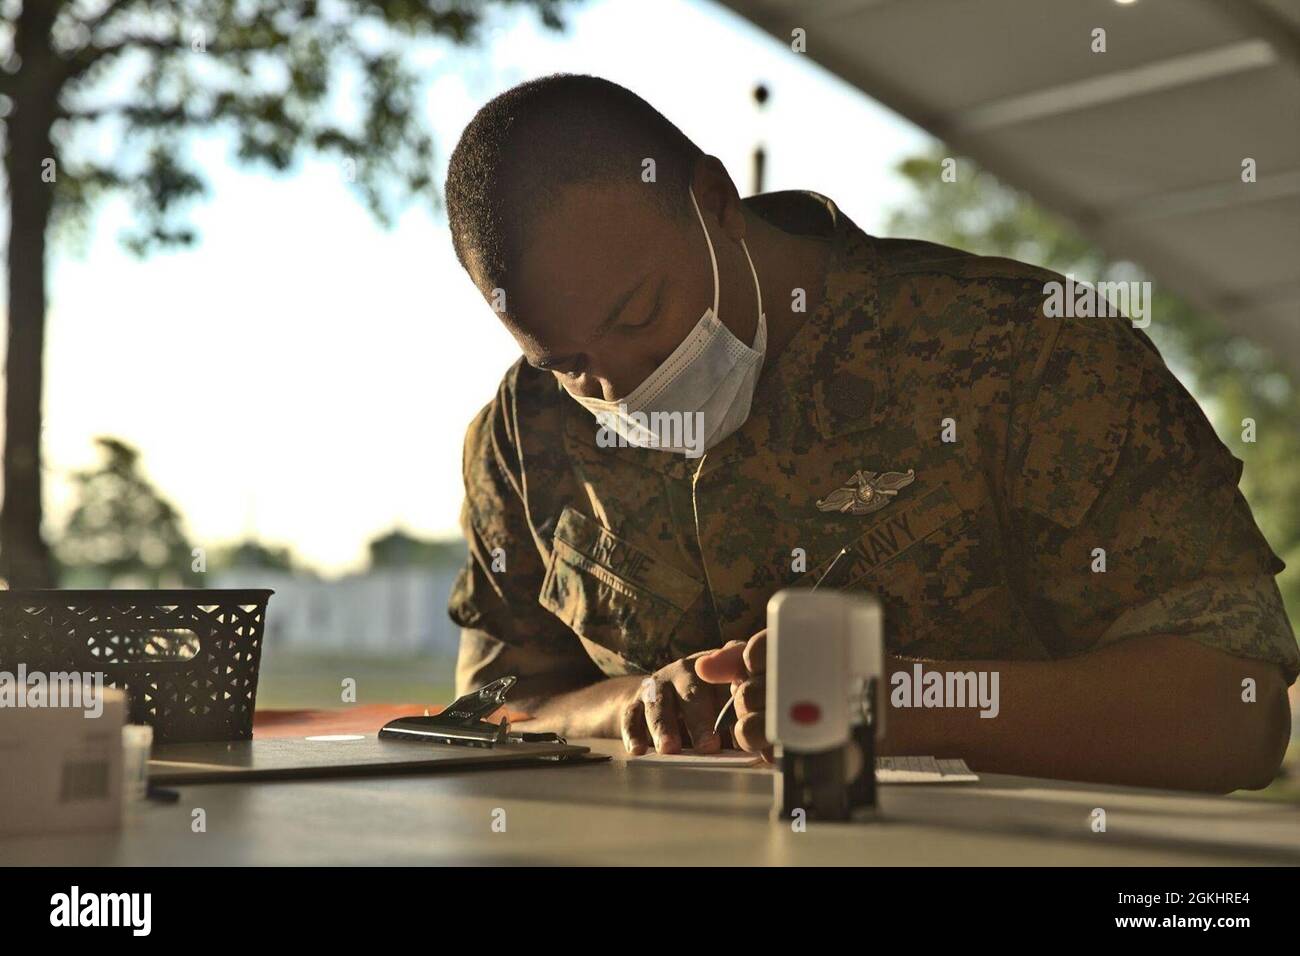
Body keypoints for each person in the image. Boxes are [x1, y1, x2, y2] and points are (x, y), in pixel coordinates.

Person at [442, 73, 1297, 792]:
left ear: (713, 204)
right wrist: (630, 704)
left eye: (640, 314)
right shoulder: (527, 431)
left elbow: (1235, 710)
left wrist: (885, 705)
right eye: (569, 361)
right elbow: (497, 708)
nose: (619, 385)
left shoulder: (1026, 350)